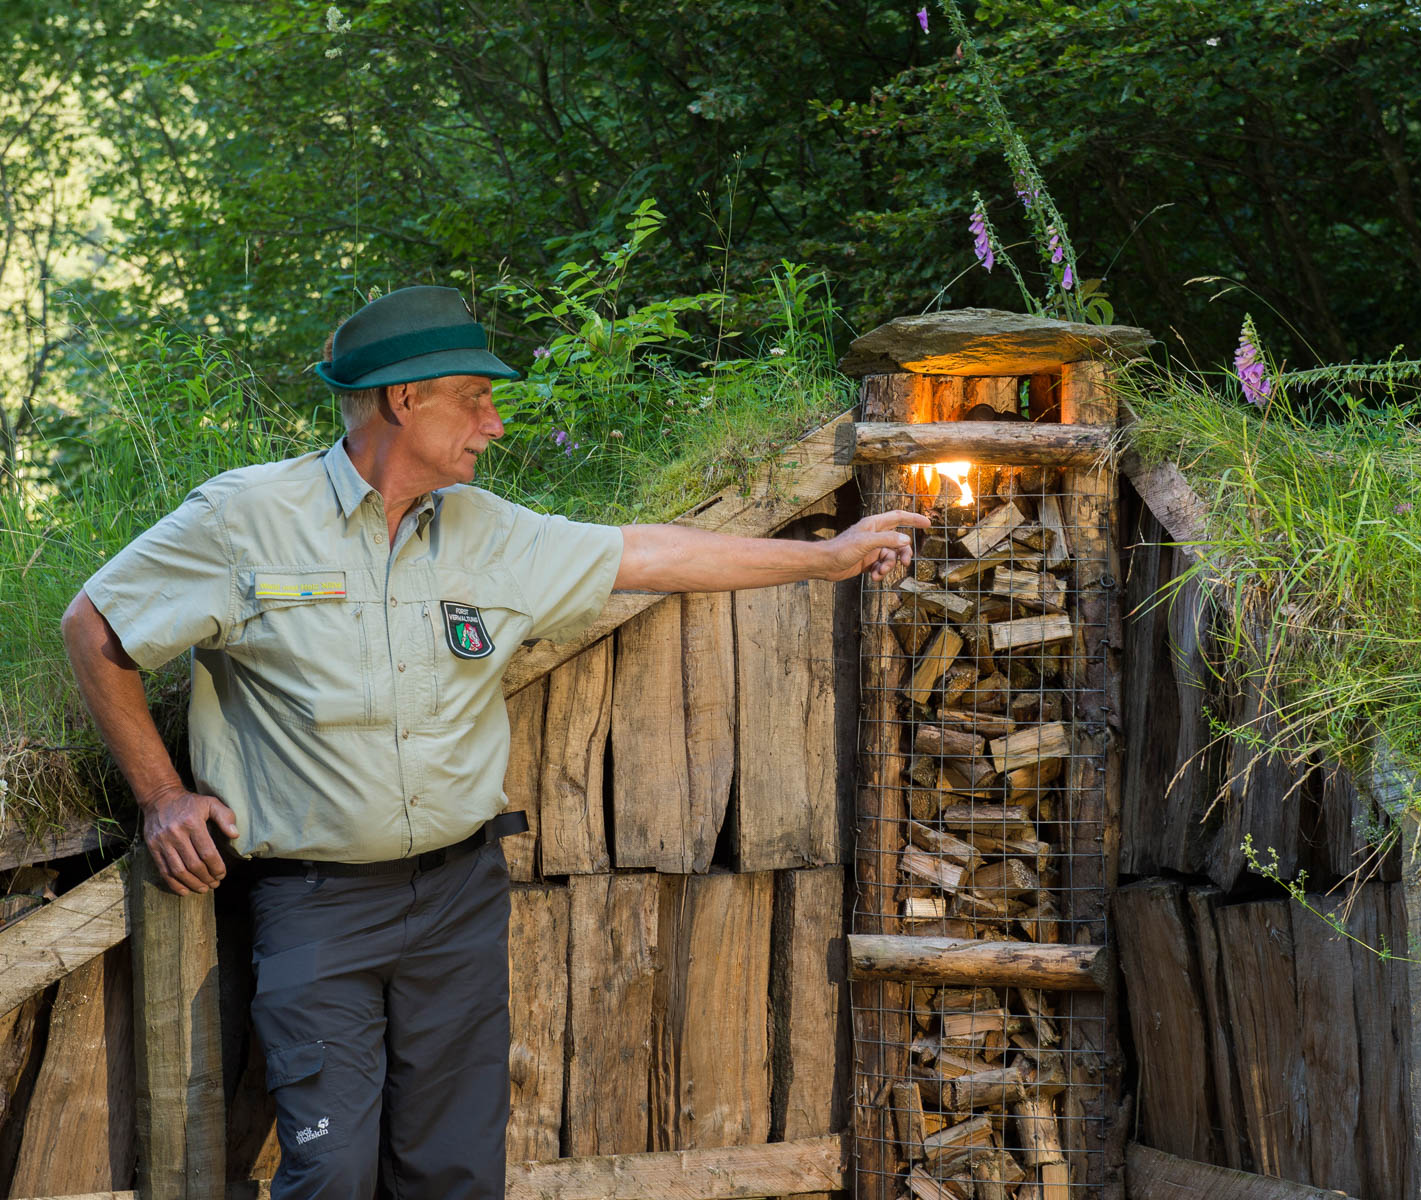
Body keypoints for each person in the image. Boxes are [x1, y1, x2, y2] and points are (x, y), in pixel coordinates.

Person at [59, 285, 927, 1199]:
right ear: (406, 398)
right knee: (331, 1170)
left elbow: (649, 554)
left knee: (455, 1173)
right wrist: (163, 797)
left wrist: (827, 558)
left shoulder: (491, 533)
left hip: (458, 901)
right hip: (315, 906)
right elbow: (95, 627)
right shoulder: (244, 520)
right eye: (476, 396)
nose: (495, 423)